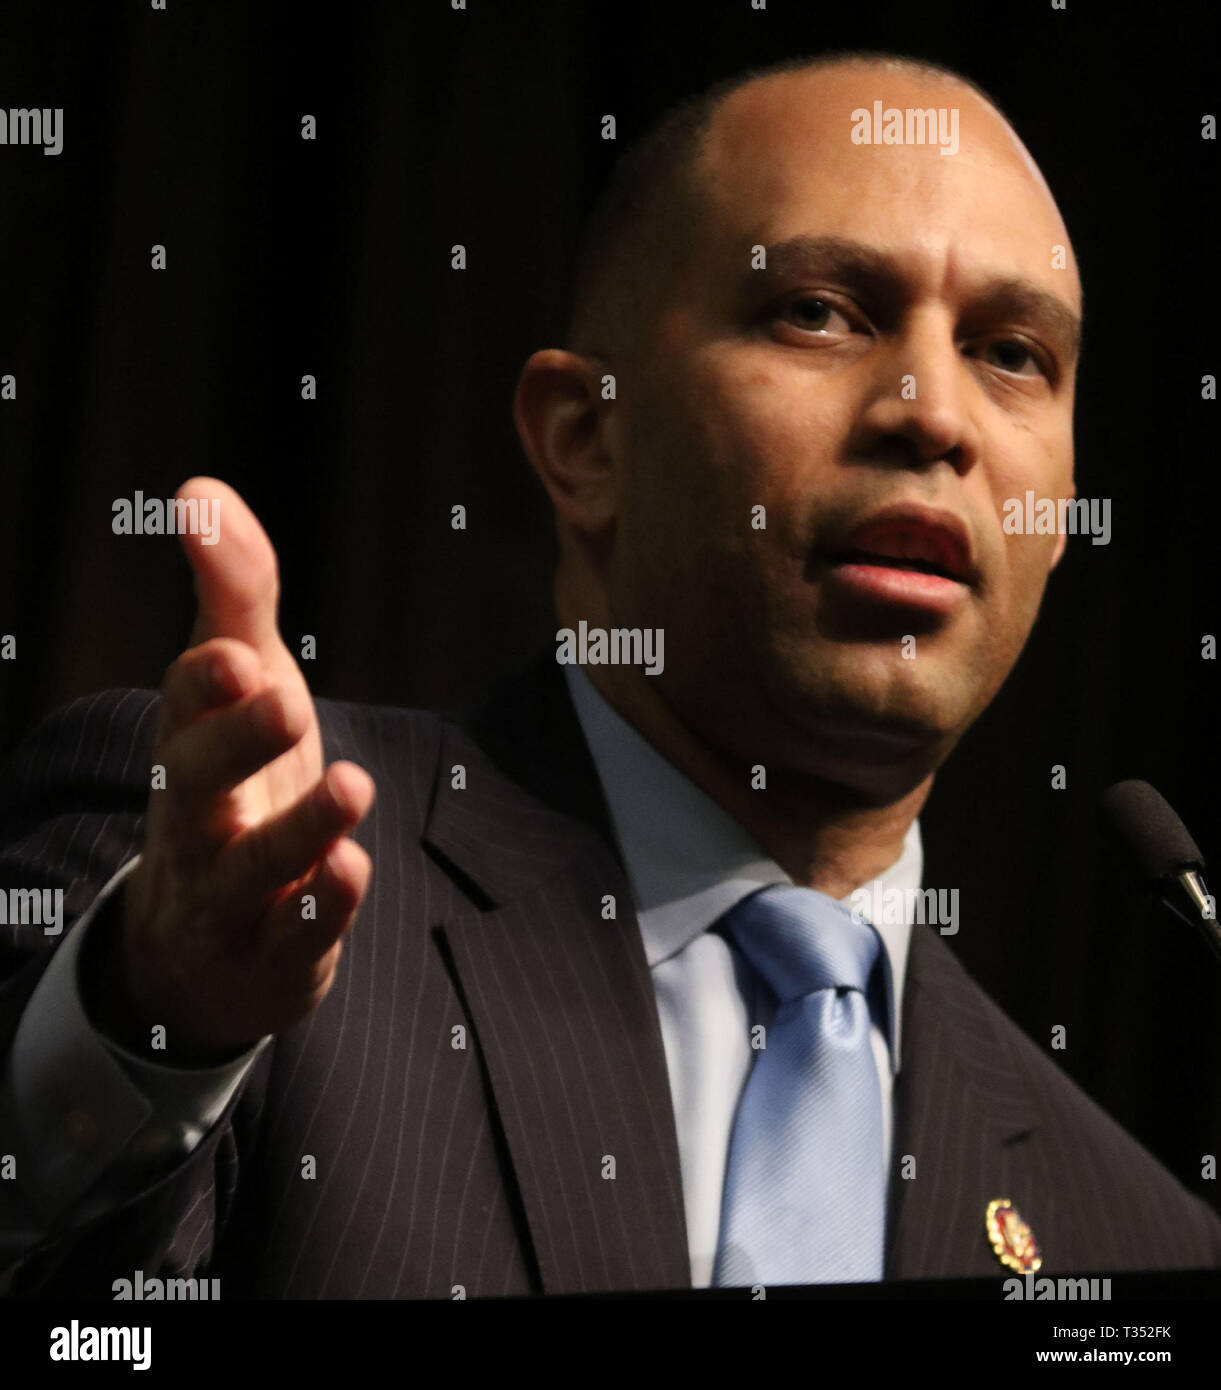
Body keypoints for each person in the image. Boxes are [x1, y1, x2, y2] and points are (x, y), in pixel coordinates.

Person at [2, 50, 1218, 1298]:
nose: (936, 413)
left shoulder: (1138, 1236)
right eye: (819, 311)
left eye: (1014, 353)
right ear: (586, 440)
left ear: (1065, 512)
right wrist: (158, 1025)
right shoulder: (246, 875)